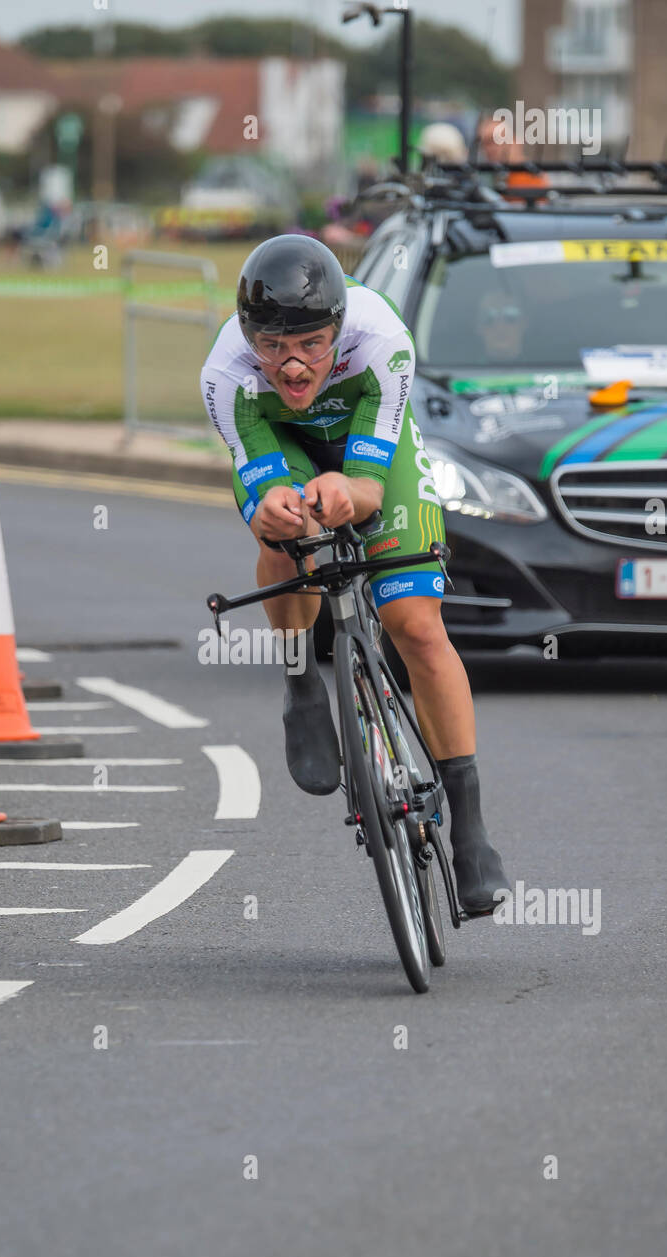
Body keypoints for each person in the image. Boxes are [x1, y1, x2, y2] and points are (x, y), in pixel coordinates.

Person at [199, 235, 508, 915]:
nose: (293, 365)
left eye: (311, 343)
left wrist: (351, 491)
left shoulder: (382, 341)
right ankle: (300, 680)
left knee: (416, 628)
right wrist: (284, 504)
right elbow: (262, 482)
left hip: (372, 454)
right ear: (247, 337)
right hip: (285, 448)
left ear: (337, 327)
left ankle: (472, 829)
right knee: (283, 536)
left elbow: (367, 490)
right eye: (272, 346)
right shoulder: (225, 376)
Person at [475, 286, 527, 363]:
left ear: (524, 323)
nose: (500, 326)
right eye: (489, 317)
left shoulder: (546, 369)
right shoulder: (461, 372)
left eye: (510, 315)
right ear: (478, 326)